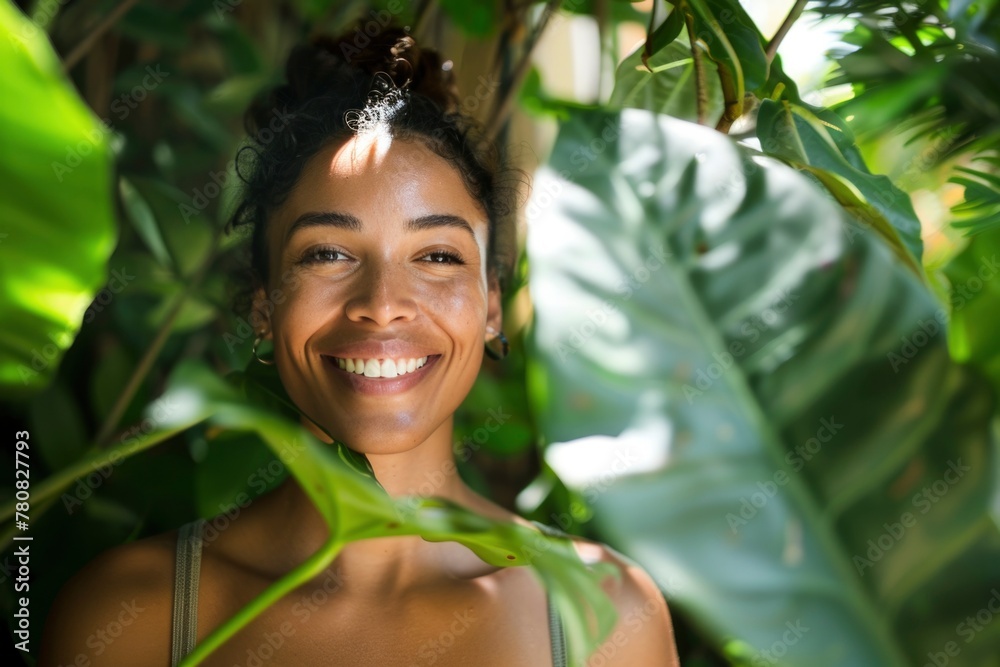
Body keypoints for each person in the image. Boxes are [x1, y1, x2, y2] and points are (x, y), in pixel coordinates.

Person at [38, 23, 680, 667]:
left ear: (490, 305)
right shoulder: (130, 618)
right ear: (264, 304)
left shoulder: (605, 617)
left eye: (435, 254)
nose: (381, 304)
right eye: (327, 253)